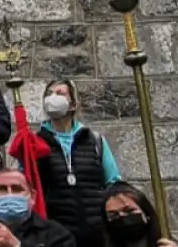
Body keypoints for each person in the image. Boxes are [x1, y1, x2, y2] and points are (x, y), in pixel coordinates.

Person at [31, 82, 119, 247]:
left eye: (60, 93)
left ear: (73, 104)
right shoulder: (36, 143)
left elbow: (113, 182)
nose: (53, 97)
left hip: (97, 231)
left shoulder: (95, 140)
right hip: (57, 234)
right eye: (49, 93)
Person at [0, 169, 72, 247]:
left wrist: (17, 245)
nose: (10, 195)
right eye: (2, 189)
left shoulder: (56, 234)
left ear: (32, 196)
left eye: (17, 189)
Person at [100, 184, 178, 247]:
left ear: (145, 212)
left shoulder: (168, 243)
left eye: (129, 210)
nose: (122, 217)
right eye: (113, 215)